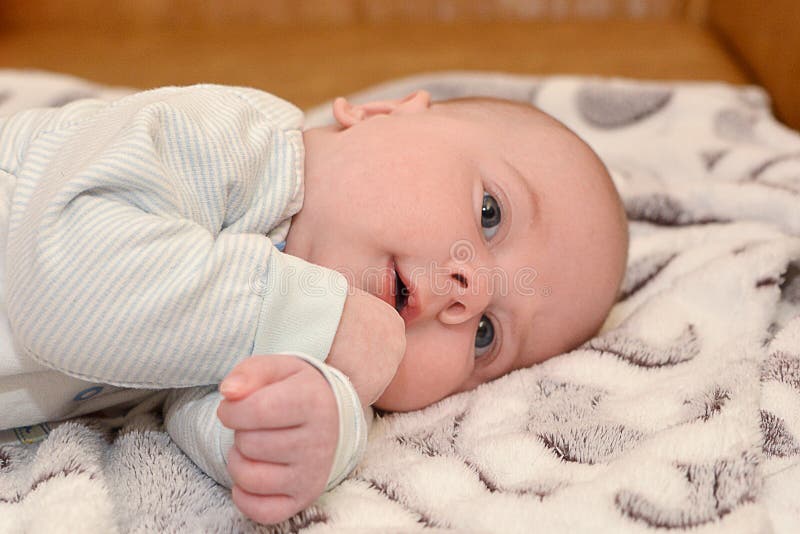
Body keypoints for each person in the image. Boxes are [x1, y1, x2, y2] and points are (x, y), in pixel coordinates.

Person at [0, 85, 628, 525]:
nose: (472, 291)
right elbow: (60, 280)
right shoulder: (230, 144)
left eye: (487, 337)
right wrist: (323, 319)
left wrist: (313, 428)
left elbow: (198, 399)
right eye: (490, 213)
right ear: (380, 113)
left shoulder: (280, 319)